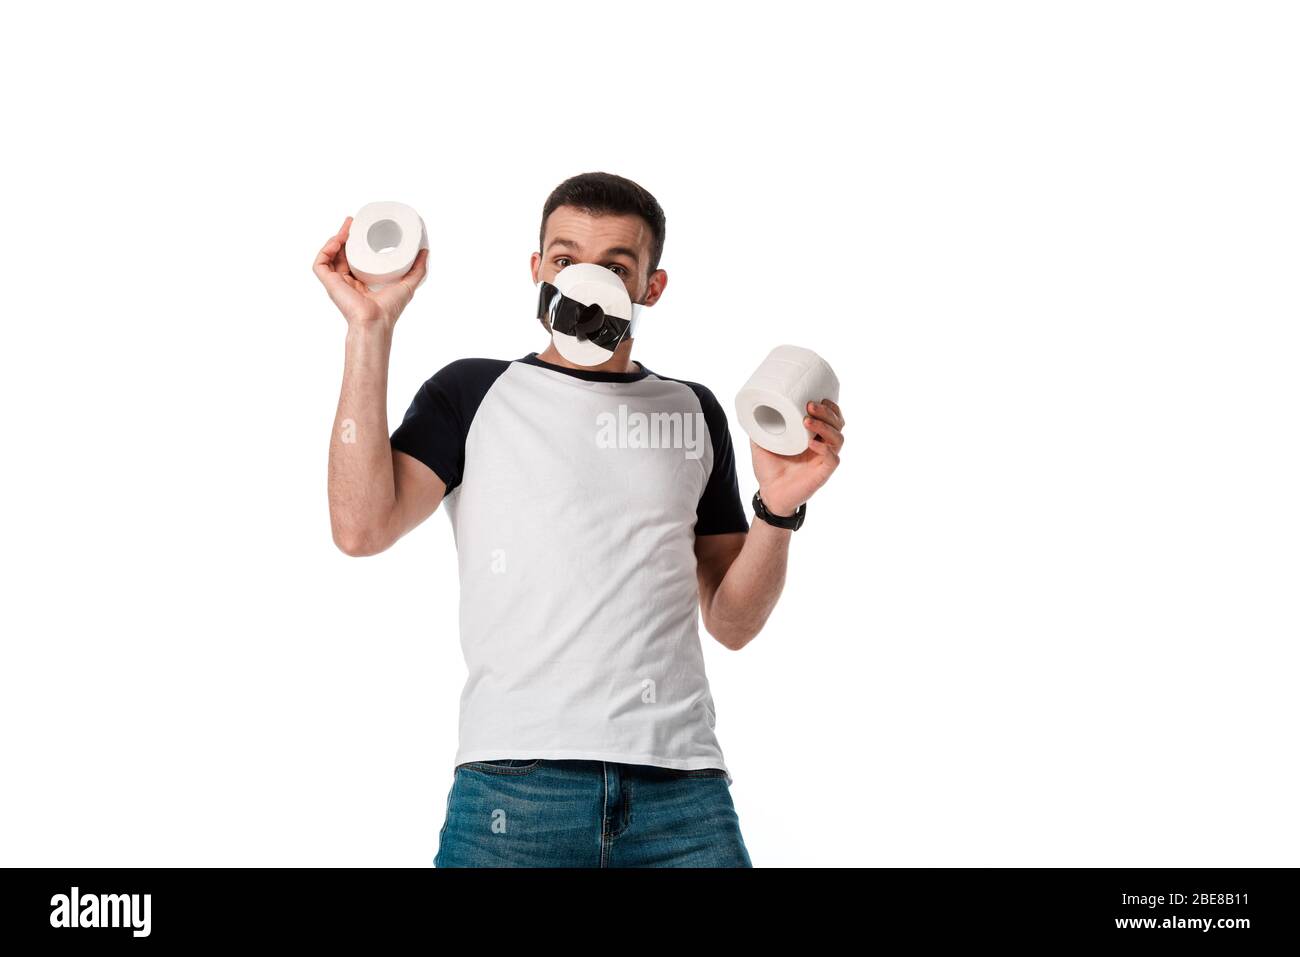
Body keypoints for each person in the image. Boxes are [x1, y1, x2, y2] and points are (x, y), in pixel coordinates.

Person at [313, 172, 846, 867]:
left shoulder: (694, 410)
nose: (585, 281)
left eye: (617, 267)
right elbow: (360, 528)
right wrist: (368, 330)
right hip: (513, 785)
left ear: (651, 286)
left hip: (680, 791)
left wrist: (779, 506)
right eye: (565, 260)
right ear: (536, 270)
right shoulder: (472, 393)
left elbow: (732, 623)